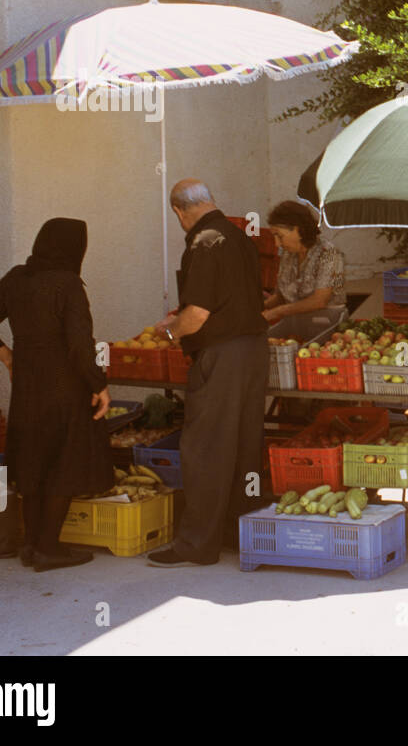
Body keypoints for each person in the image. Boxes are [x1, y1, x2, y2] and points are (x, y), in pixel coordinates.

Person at [0, 219, 112, 571]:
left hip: (28, 383)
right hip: (65, 384)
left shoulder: (17, 277)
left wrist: (7, 357)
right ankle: (48, 548)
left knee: (32, 457)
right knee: (65, 459)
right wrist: (98, 384)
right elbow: (79, 344)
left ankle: (30, 545)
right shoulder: (68, 283)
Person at [147, 180, 268, 567]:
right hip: (253, 351)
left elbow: (197, 316)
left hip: (221, 355)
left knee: (206, 448)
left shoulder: (204, 242)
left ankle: (197, 545)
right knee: (244, 445)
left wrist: (168, 331)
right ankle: (239, 532)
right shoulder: (238, 236)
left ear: (179, 212)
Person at [262, 200, 347, 324]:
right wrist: (259, 308)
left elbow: (319, 301)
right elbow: (281, 296)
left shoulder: (329, 254)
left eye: (280, 236)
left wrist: (276, 312)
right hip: (296, 322)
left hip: (326, 323)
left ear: (298, 230)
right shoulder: (288, 255)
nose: (277, 244)